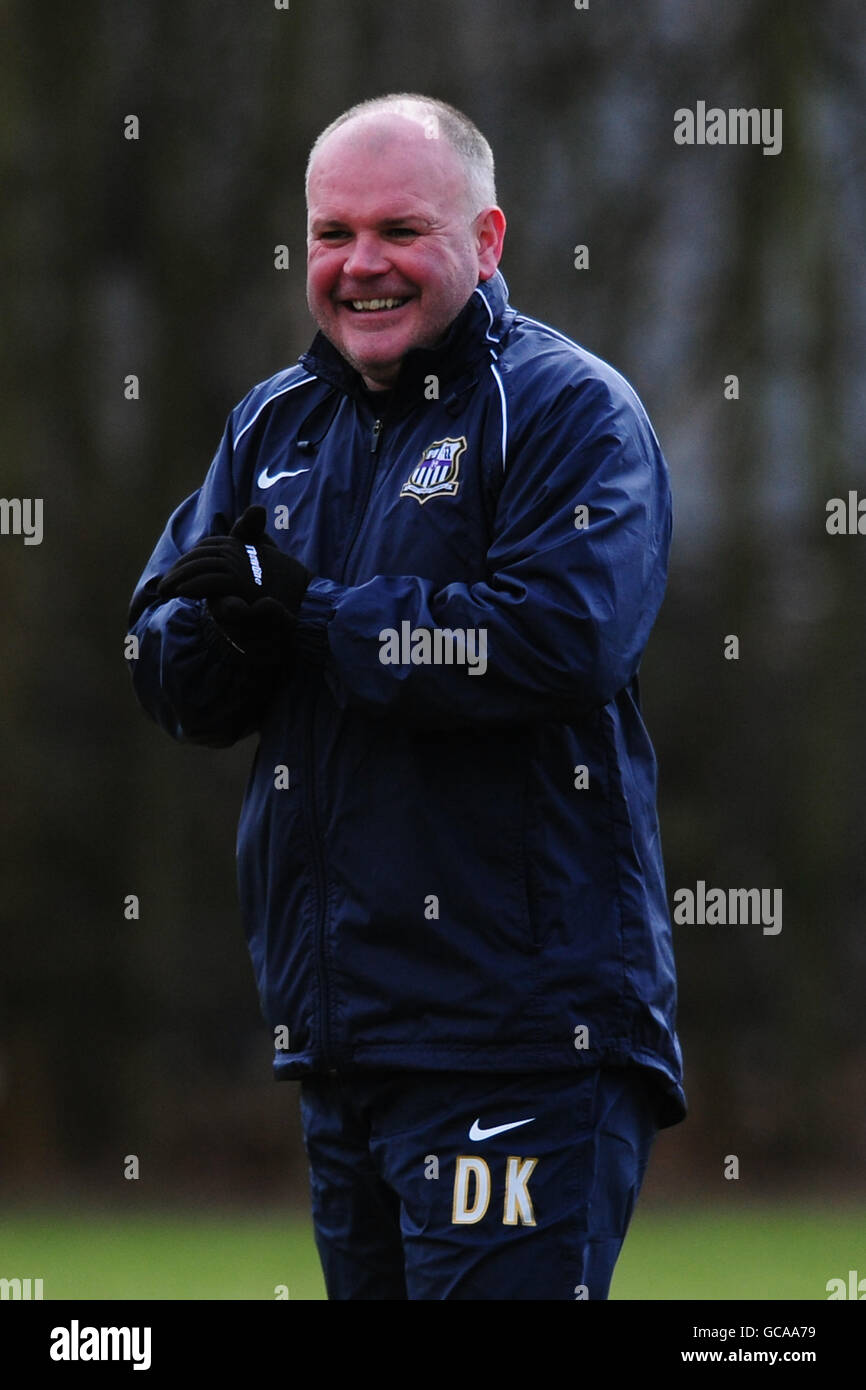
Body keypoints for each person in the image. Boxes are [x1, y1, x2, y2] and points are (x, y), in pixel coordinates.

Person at [127, 92, 685, 1301]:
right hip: (343, 1040)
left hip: (526, 1040)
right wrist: (224, 636)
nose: (359, 265)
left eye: (397, 230)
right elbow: (160, 653)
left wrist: (314, 615)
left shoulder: (567, 412)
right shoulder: (271, 425)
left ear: (485, 242)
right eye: (332, 234)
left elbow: (558, 638)